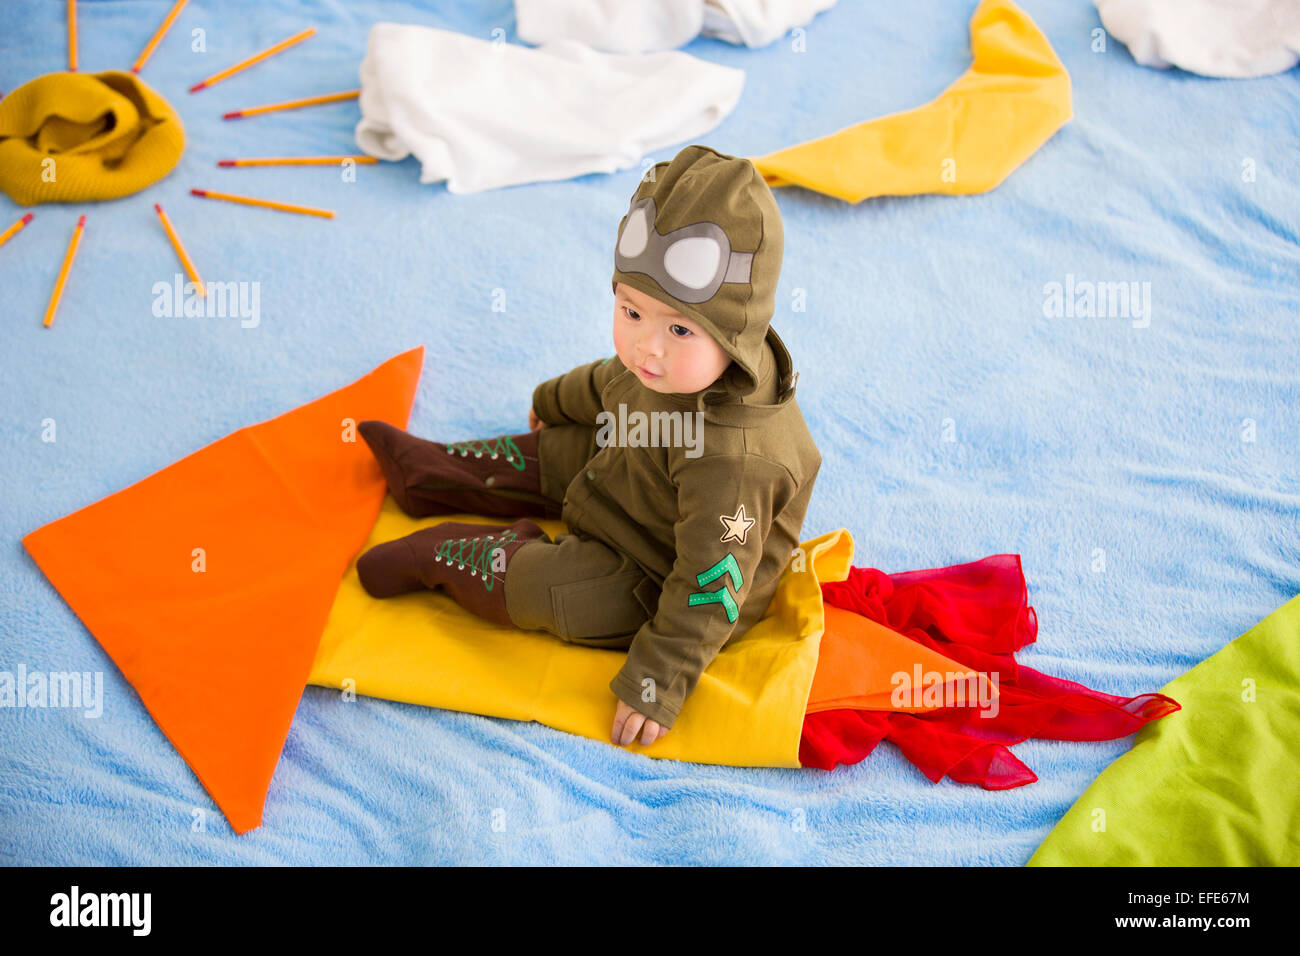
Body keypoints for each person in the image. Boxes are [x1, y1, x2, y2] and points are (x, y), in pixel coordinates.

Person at [355, 144, 821, 749]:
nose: (647, 347)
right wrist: (551, 399)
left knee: (554, 590)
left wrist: (659, 678)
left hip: (656, 572)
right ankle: (434, 471)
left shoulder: (737, 464)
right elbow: (608, 380)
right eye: (631, 311)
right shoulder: (662, 365)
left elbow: (711, 585)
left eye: (679, 328)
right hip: (635, 472)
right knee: (577, 440)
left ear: (736, 333)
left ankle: (450, 557)